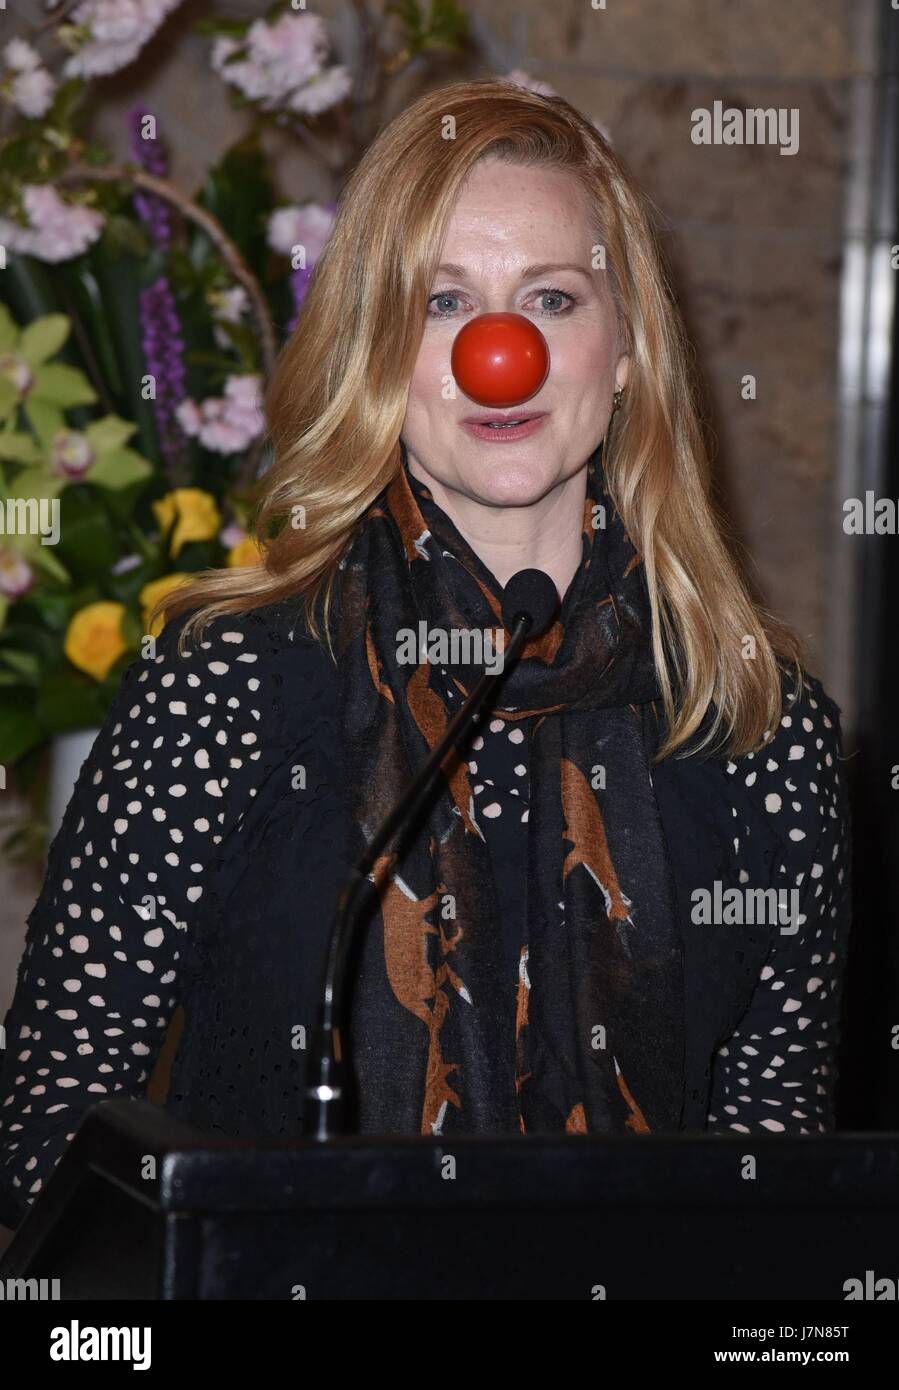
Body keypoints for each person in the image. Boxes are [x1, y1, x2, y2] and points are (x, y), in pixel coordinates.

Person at [0, 79, 851, 1231]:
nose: (500, 350)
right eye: (443, 300)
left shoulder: (756, 721)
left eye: (549, 297)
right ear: (376, 351)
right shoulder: (223, 683)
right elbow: (52, 1132)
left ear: (629, 350)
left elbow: (775, 1182)